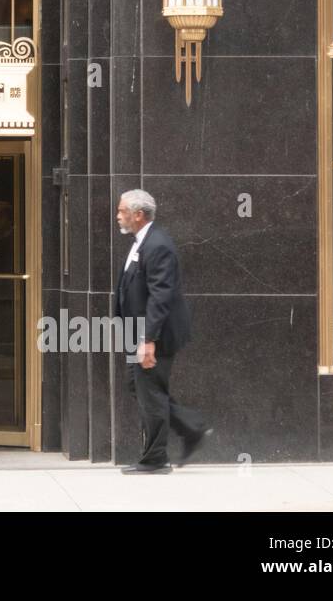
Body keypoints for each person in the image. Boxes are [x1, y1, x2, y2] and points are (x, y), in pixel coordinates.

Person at [114, 189, 209, 474]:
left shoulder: (157, 245)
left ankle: (155, 459)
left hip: (155, 335)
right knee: (141, 387)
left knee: (149, 391)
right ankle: (192, 429)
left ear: (138, 215)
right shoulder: (142, 241)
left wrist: (148, 341)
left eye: (121, 211)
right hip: (140, 332)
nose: (118, 216)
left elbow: (161, 295)